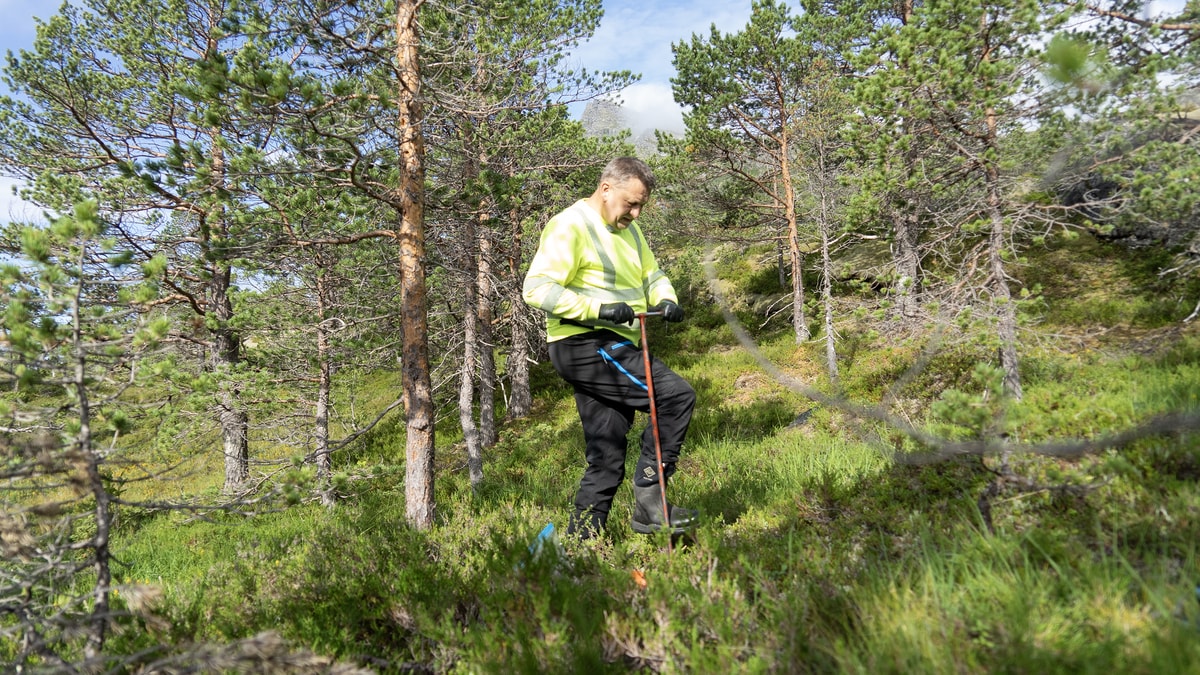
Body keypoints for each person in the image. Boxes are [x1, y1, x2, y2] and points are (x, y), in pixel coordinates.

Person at [522, 157, 699, 540]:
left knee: (605, 458)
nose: (635, 213)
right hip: (586, 343)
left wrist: (665, 298)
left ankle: (581, 546)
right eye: (630, 203)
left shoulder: (631, 232)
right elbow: (536, 289)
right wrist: (597, 308)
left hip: (611, 346)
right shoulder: (570, 225)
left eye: (641, 206)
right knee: (675, 397)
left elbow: (652, 274)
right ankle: (652, 501)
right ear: (605, 189)